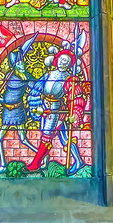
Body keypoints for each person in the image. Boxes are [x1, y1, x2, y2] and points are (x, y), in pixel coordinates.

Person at [27, 47, 86, 175]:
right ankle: (74, 161)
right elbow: (38, 88)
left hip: (56, 110)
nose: (62, 62)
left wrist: (75, 113)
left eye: (66, 61)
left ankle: (36, 163)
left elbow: (76, 97)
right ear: (56, 59)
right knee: (64, 138)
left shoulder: (70, 79)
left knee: (47, 136)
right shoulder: (49, 74)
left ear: (70, 64)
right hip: (45, 107)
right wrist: (37, 104)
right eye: (61, 59)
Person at [0, 37, 37, 173]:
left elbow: (35, 87)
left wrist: (0, 99)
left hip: (17, 110)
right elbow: (8, 97)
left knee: (23, 138)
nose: (22, 65)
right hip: (7, 111)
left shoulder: (26, 77)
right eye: (19, 63)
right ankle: (3, 166)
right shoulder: (10, 77)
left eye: (22, 62)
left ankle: (42, 155)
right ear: (15, 65)